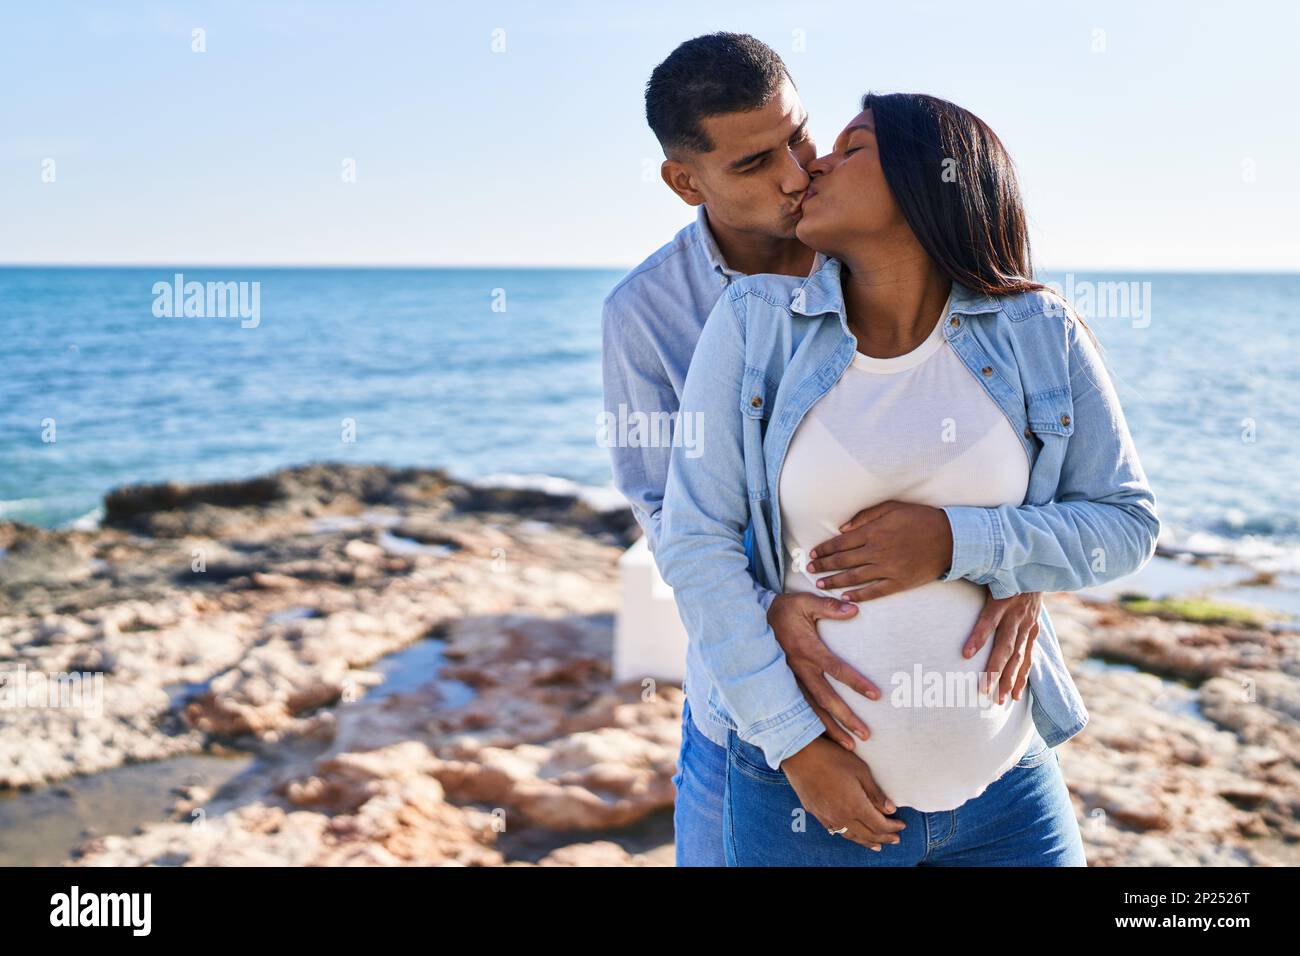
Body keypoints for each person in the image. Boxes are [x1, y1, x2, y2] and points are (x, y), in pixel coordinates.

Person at [656, 91, 1160, 865]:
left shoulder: (1038, 331)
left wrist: (959, 541)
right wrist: (796, 749)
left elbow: (1125, 525)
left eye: (850, 149)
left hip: (1008, 789)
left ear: (933, 182)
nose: (813, 163)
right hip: (815, 801)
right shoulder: (755, 321)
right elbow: (696, 541)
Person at [601, 35, 1043, 866]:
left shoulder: (893, 241)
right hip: (747, 718)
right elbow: (671, 515)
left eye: (801, 137)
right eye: (755, 163)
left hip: (981, 734)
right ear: (684, 181)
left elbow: (1038, 456)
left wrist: (1026, 568)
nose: (798, 173)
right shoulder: (647, 314)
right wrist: (771, 615)